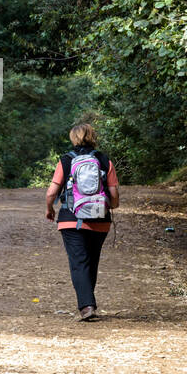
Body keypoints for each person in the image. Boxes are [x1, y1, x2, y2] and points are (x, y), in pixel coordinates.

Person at [45, 123, 119, 321]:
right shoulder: (104, 160)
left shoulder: (66, 160)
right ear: (93, 136)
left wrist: (49, 209)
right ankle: (88, 302)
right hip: (100, 220)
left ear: (73, 138)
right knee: (91, 261)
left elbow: (52, 192)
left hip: (71, 219)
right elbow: (115, 197)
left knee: (79, 262)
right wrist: (105, 206)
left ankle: (87, 306)